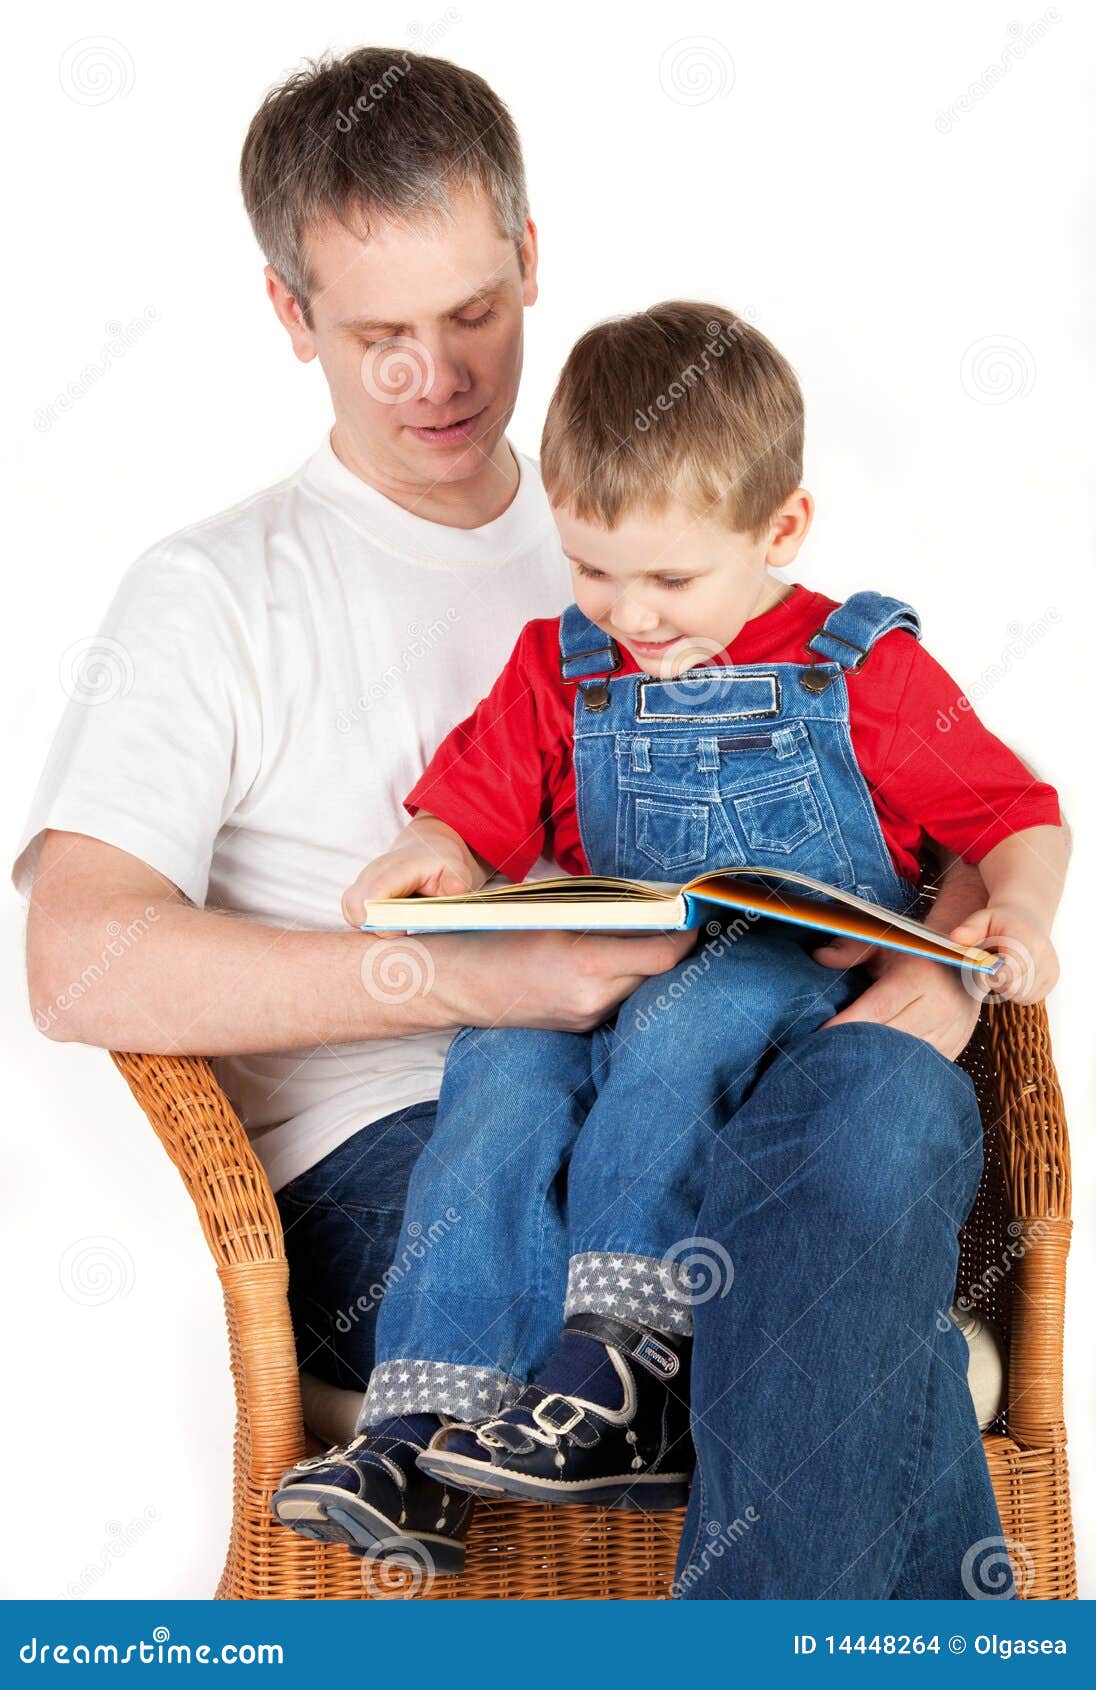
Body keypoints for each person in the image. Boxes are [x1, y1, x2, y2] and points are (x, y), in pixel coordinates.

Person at [16, 48, 1057, 1600]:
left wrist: (945, 975)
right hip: (425, 1169)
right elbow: (73, 962)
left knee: (876, 1116)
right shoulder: (213, 592)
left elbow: (925, 786)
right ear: (288, 315)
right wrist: (466, 981)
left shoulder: (648, 515)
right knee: (833, 1256)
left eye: (473, 315)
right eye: (375, 335)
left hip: (737, 1073)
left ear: (531, 260)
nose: (434, 376)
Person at [270, 303, 1064, 1578]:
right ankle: (420, 1425)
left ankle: (617, 1363)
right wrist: (433, 851)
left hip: (783, 1003)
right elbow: (467, 802)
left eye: (671, 579)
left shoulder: (860, 667)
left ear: (780, 530)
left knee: (687, 1015)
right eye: (591, 569)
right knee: (497, 1065)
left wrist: (1011, 913)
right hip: (605, 1001)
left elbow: (1013, 813)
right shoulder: (564, 668)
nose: (629, 614)